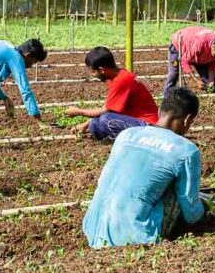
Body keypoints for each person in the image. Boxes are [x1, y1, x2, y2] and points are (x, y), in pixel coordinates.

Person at [82, 87, 205, 248]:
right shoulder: (185, 150)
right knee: (177, 190)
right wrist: (206, 212)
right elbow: (192, 213)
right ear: (188, 119)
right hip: (132, 237)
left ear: (160, 110)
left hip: (92, 226)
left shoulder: (126, 134)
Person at [67, 46, 159, 141]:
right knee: (94, 124)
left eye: (93, 72)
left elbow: (106, 111)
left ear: (102, 70)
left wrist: (78, 112)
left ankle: (128, 142)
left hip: (148, 125)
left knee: (105, 119)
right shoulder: (116, 77)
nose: (93, 75)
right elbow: (111, 107)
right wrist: (85, 124)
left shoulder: (122, 80)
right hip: (135, 120)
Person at [164, 25, 215, 95]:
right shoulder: (200, 43)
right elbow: (184, 61)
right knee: (174, 73)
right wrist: (196, 81)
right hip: (178, 46)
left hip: (200, 54)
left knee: (210, 82)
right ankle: (166, 95)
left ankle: (213, 96)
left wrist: (211, 80)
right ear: (213, 47)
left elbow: (213, 64)